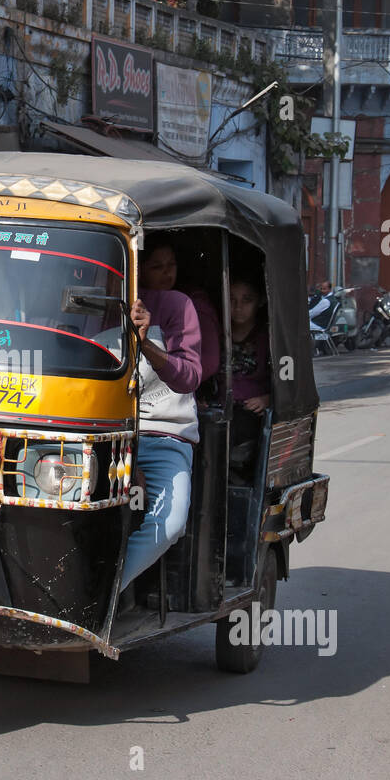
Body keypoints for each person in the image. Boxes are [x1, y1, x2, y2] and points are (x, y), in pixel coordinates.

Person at [120, 237, 206, 593]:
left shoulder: (178, 304)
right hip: (110, 438)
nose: (166, 273)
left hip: (166, 438)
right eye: (157, 266)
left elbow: (189, 376)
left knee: (170, 525)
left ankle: (108, 595)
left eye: (171, 265)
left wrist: (146, 345)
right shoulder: (104, 301)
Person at [227, 268, 272, 482]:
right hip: (222, 411)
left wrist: (266, 399)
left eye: (246, 300)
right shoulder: (217, 332)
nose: (238, 308)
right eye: (232, 300)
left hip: (250, 416)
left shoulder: (268, 336)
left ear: (260, 301)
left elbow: (284, 380)